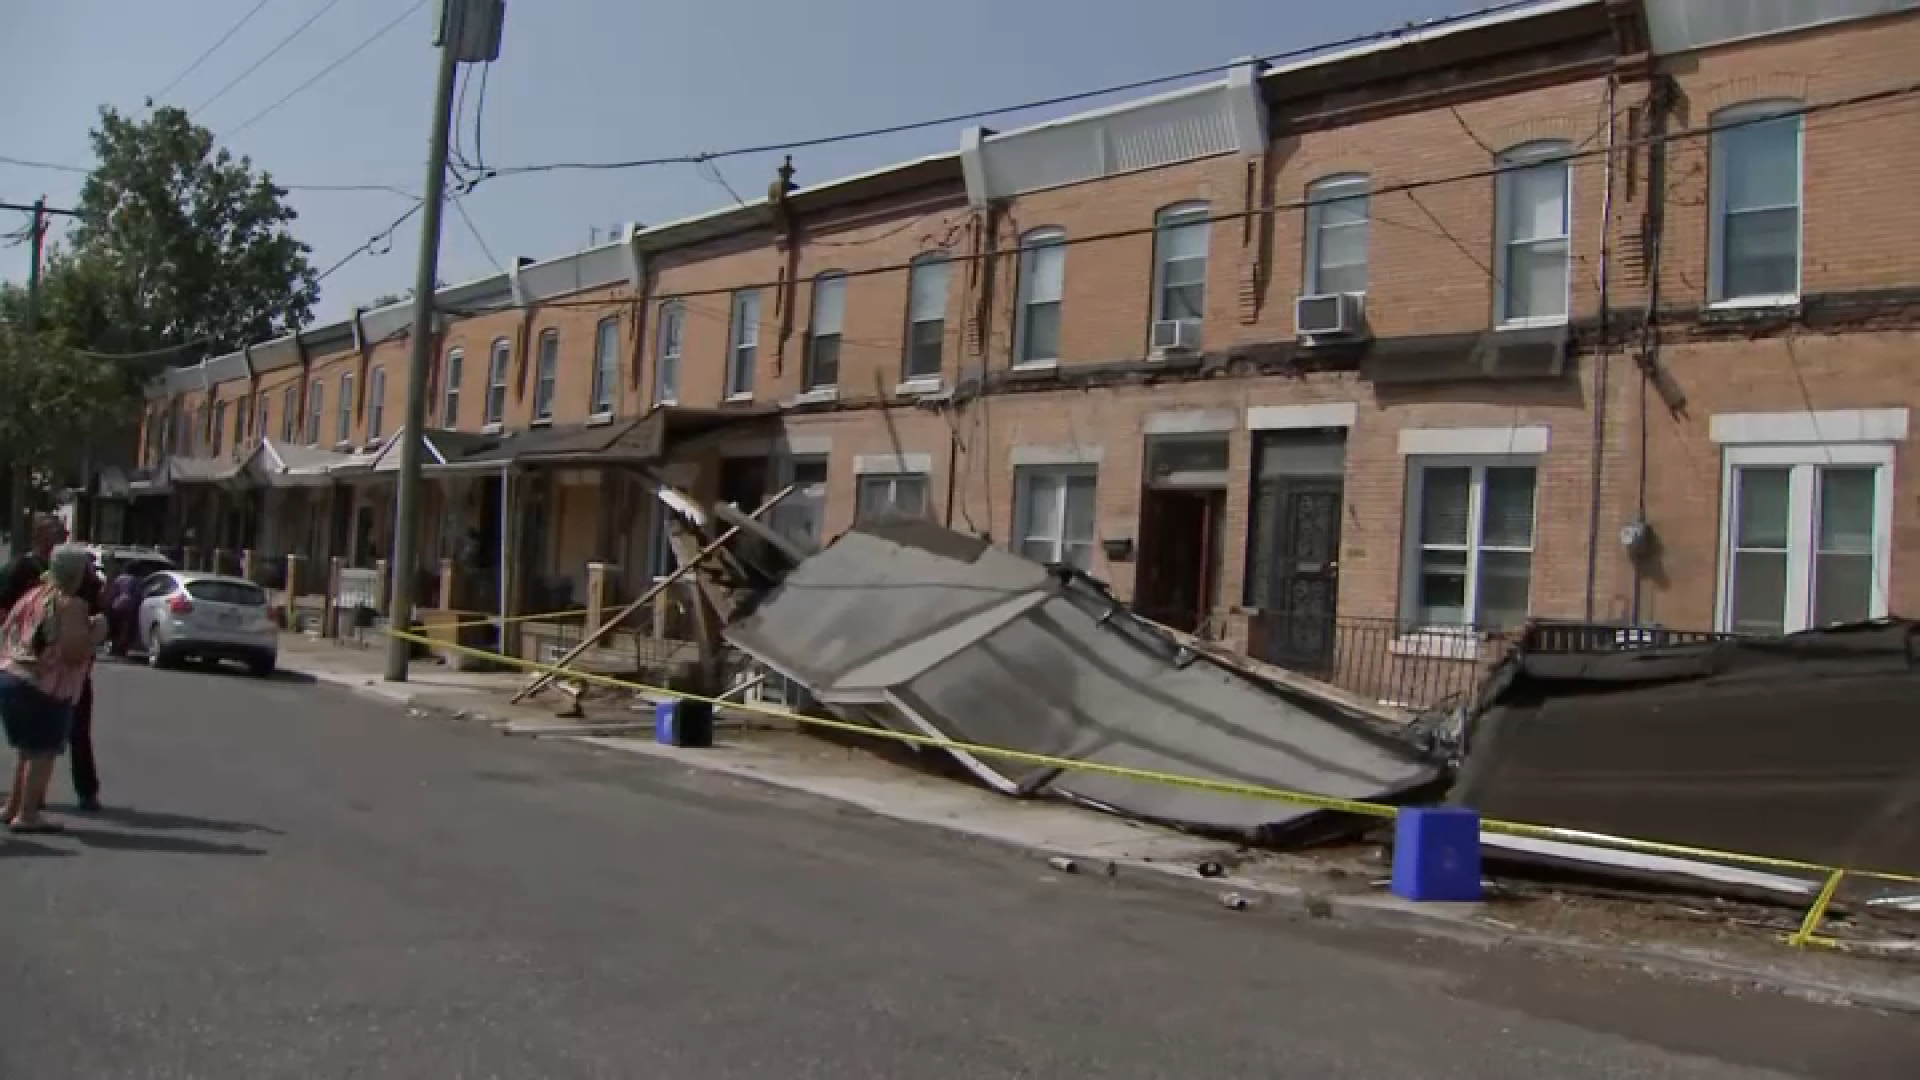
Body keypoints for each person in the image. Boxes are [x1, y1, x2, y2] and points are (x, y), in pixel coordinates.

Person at [0, 547, 103, 832]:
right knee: (43, 751)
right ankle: (28, 814)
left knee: (26, 751)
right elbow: (72, 654)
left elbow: (9, 628)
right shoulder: (70, 604)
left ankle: (13, 806)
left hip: (12, 676)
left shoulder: (33, 595)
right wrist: (95, 633)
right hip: (45, 686)